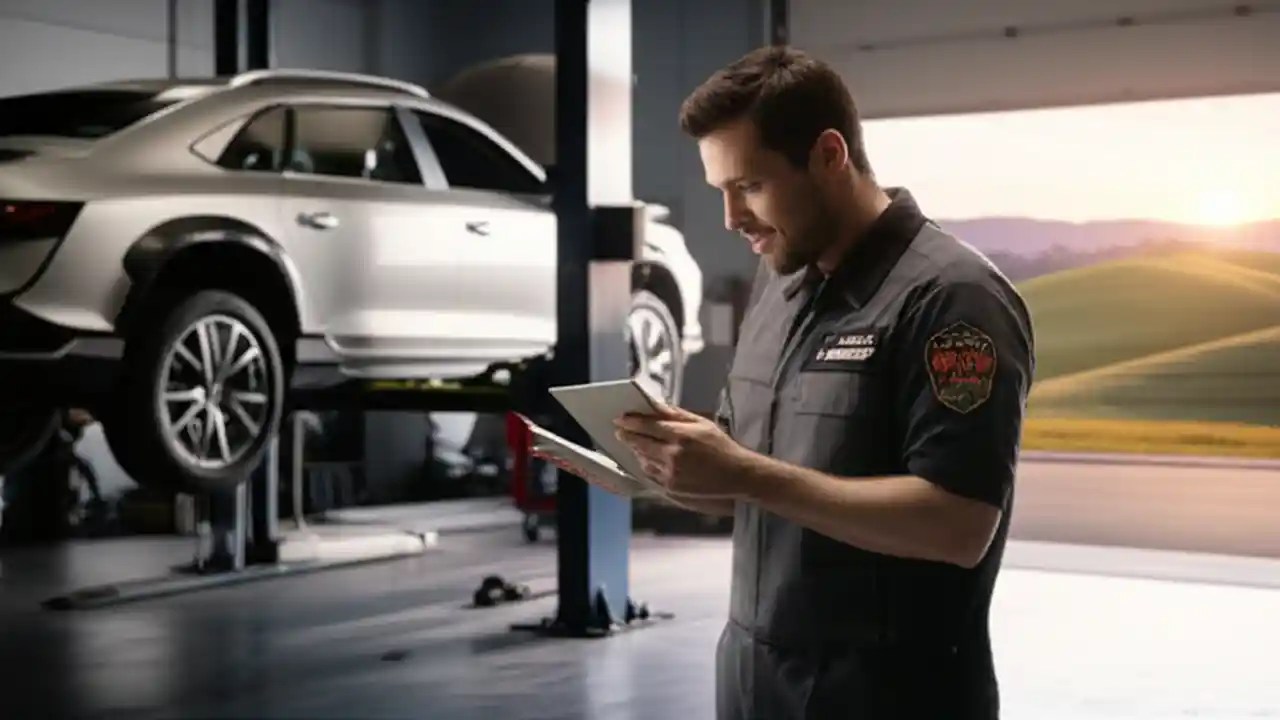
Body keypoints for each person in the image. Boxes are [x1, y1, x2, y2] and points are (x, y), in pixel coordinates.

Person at [548, 45, 1035, 719]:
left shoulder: (954, 300)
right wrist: (662, 467)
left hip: (886, 698)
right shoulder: (778, 284)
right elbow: (747, 477)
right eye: (721, 189)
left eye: (747, 185)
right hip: (756, 686)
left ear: (830, 156)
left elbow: (958, 525)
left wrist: (745, 474)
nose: (729, 217)